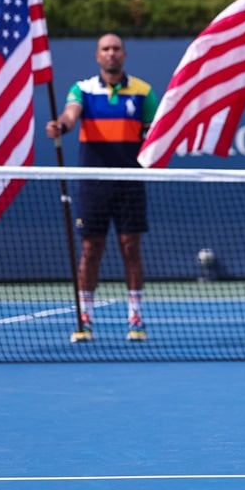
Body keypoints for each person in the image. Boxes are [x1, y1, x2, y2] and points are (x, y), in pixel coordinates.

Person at [45, 33, 158, 343]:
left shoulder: (143, 92)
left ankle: (136, 317)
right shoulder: (82, 89)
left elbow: (153, 134)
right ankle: (85, 318)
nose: (111, 54)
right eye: (105, 49)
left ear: (124, 54)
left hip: (130, 181)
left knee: (130, 247)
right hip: (93, 183)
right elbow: (71, 114)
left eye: (116, 48)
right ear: (97, 56)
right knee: (90, 250)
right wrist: (61, 126)